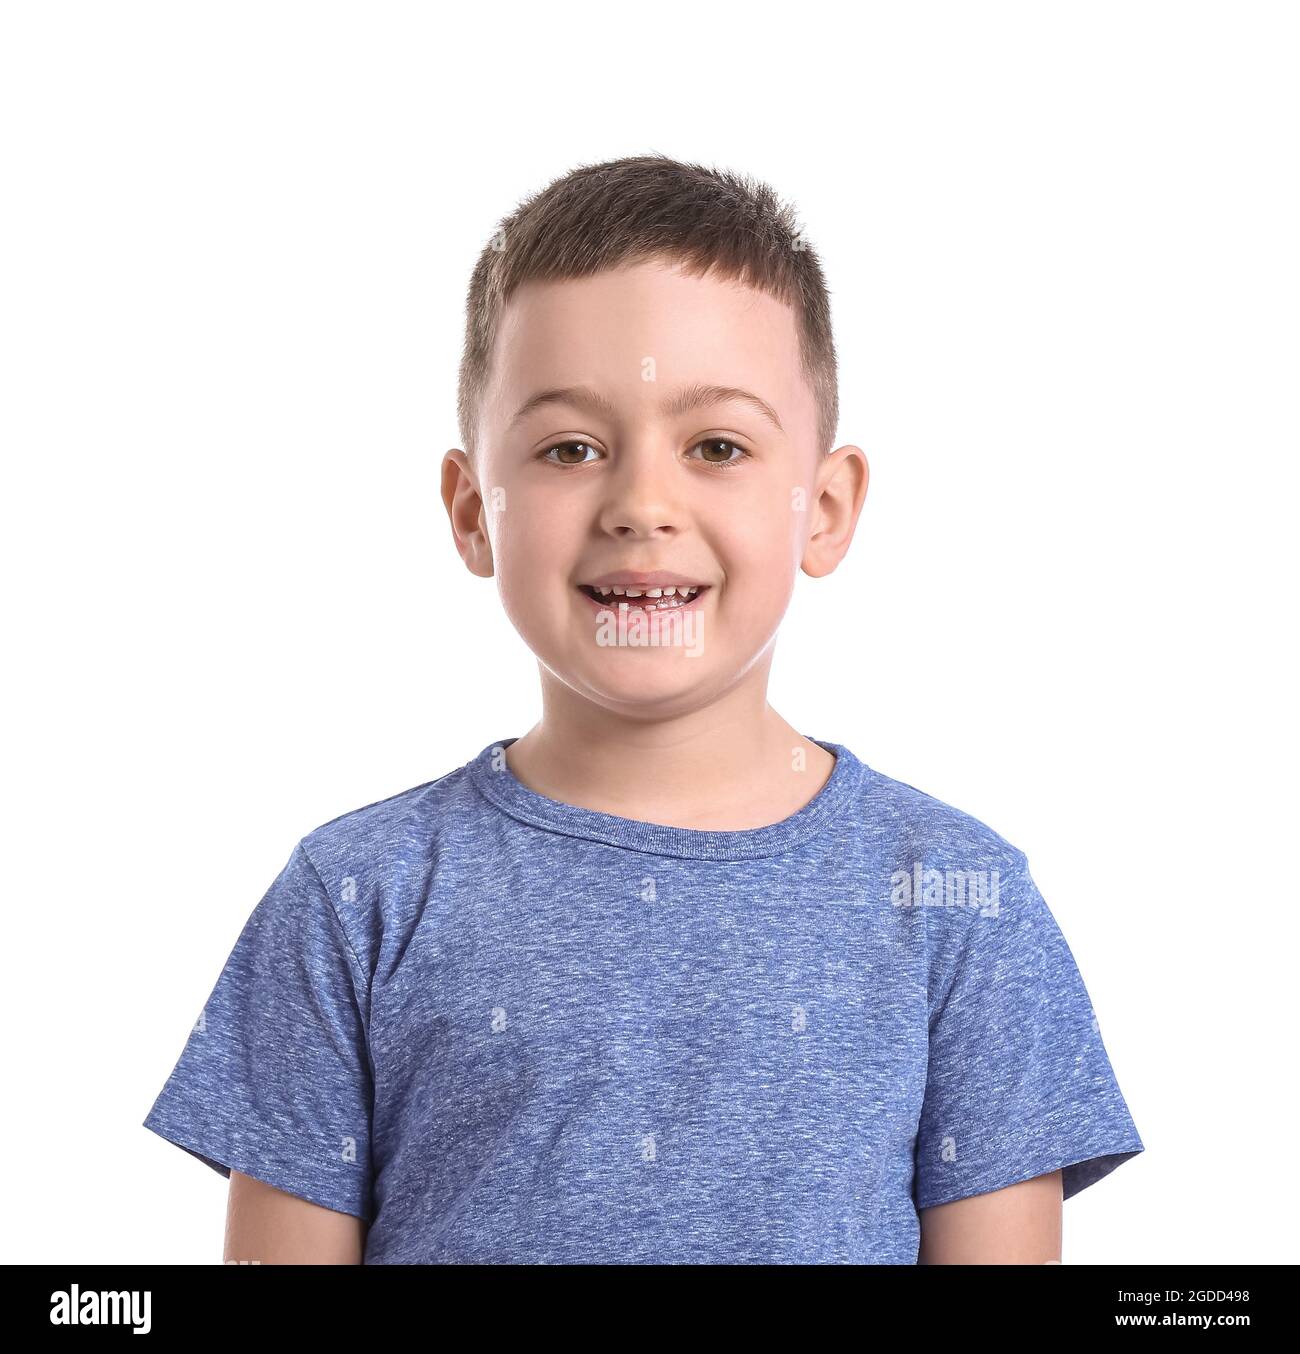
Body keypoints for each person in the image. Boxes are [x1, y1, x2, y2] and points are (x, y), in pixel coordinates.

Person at [143, 153, 1144, 1264]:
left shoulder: (960, 902)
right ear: (474, 511)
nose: (641, 505)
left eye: (716, 446)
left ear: (824, 507)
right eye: (571, 448)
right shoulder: (354, 899)